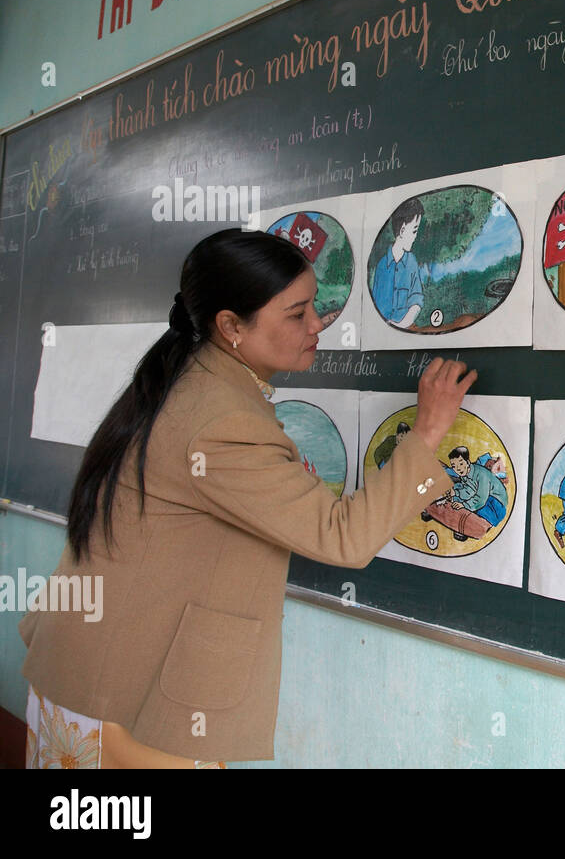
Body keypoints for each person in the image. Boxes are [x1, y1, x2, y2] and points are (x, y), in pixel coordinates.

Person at [18, 229, 475, 768]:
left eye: (316, 307)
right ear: (231, 326)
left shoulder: (189, 378)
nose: (317, 326)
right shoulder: (223, 421)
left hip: (91, 680)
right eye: (296, 314)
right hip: (122, 706)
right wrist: (426, 433)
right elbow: (343, 537)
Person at [372, 197, 425, 328]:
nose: (415, 236)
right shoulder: (382, 266)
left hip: (405, 330)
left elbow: (416, 301)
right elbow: (375, 304)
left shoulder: (412, 262)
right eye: (414, 231)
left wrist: (400, 325)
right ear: (402, 230)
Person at [444, 446, 508, 527]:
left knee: (473, 511)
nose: (458, 468)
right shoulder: (465, 473)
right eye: (454, 466)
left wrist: (464, 505)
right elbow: (469, 490)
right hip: (486, 501)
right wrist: (455, 492)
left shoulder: (481, 474)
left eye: (461, 463)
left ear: (467, 462)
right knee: (459, 499)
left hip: (497, 507)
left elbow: (481, 499)